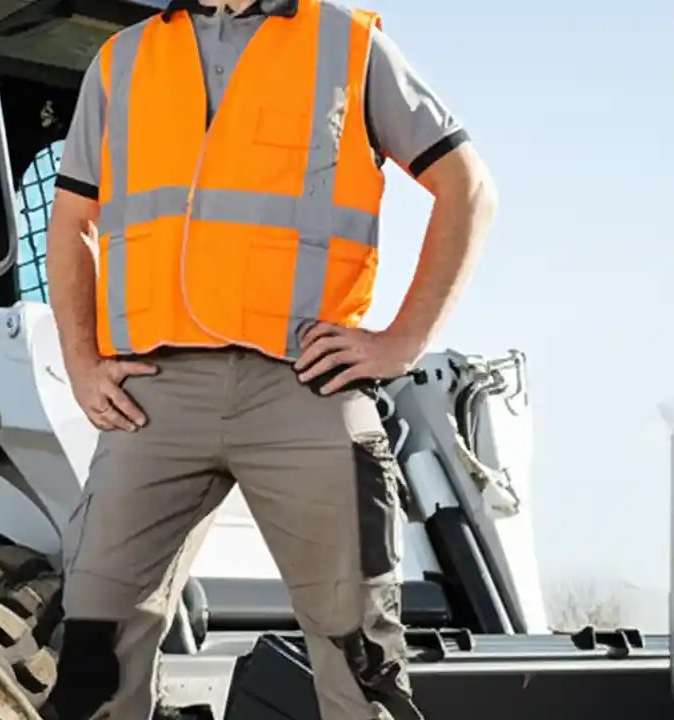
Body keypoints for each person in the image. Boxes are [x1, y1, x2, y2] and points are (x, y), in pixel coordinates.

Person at [40, 0, 498, 718]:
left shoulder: (347, 45)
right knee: (93, 647)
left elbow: (467, 187)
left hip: (305, 386)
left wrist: (399, 342)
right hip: (154, 397)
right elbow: (73, 222)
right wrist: (81, 361)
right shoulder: (122, 60)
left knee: (359, 652)